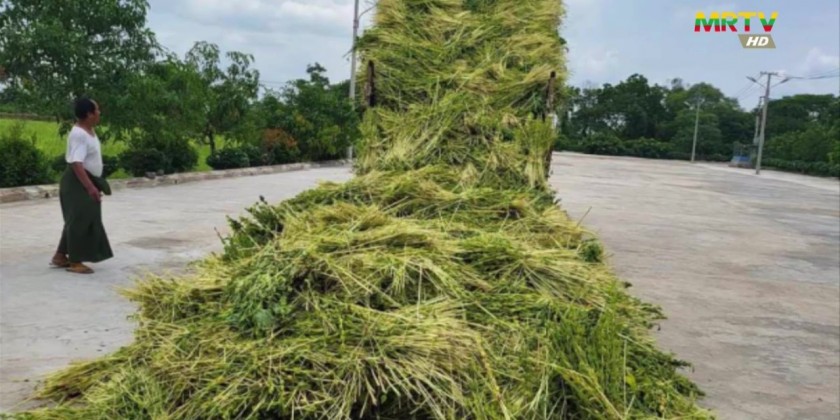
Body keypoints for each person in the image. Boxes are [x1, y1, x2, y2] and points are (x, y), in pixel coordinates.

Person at [50, 97, 113, 274]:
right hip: (78, 182)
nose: (99, 113)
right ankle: (75, 261)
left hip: (86, 180)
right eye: (97, 110)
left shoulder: (89, 132)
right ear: (88, 114)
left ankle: (60, 256)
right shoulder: (79, 134)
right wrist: (90, 187)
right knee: (80, 221)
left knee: (79, 218)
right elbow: (77, 163)